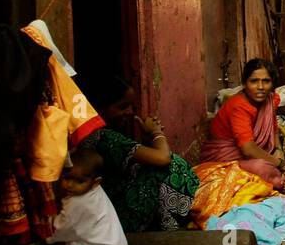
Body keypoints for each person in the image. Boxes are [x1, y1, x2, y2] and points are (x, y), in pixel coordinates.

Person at [77, 74, 200, 233]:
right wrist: (156, 133)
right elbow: (163, 158)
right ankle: (170, 227)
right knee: (172, 166)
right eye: (122, 106)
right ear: (100, 107)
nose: (130, 112)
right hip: (114, 215)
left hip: (108, 208)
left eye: (132, 107)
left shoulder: (96, 134)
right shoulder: (106, 138)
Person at [198, 59, 285, 191]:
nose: (260, 87)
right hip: (226, 157)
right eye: (254, 81)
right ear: (245, 84)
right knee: (263, 169)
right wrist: (283, 165)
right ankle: (277, 178)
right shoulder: (238, 106)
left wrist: (277, 150)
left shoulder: (270, 99)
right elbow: (248, 149)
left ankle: (275, 176)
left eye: (266, 81)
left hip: (258, 150)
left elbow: (273, 128)